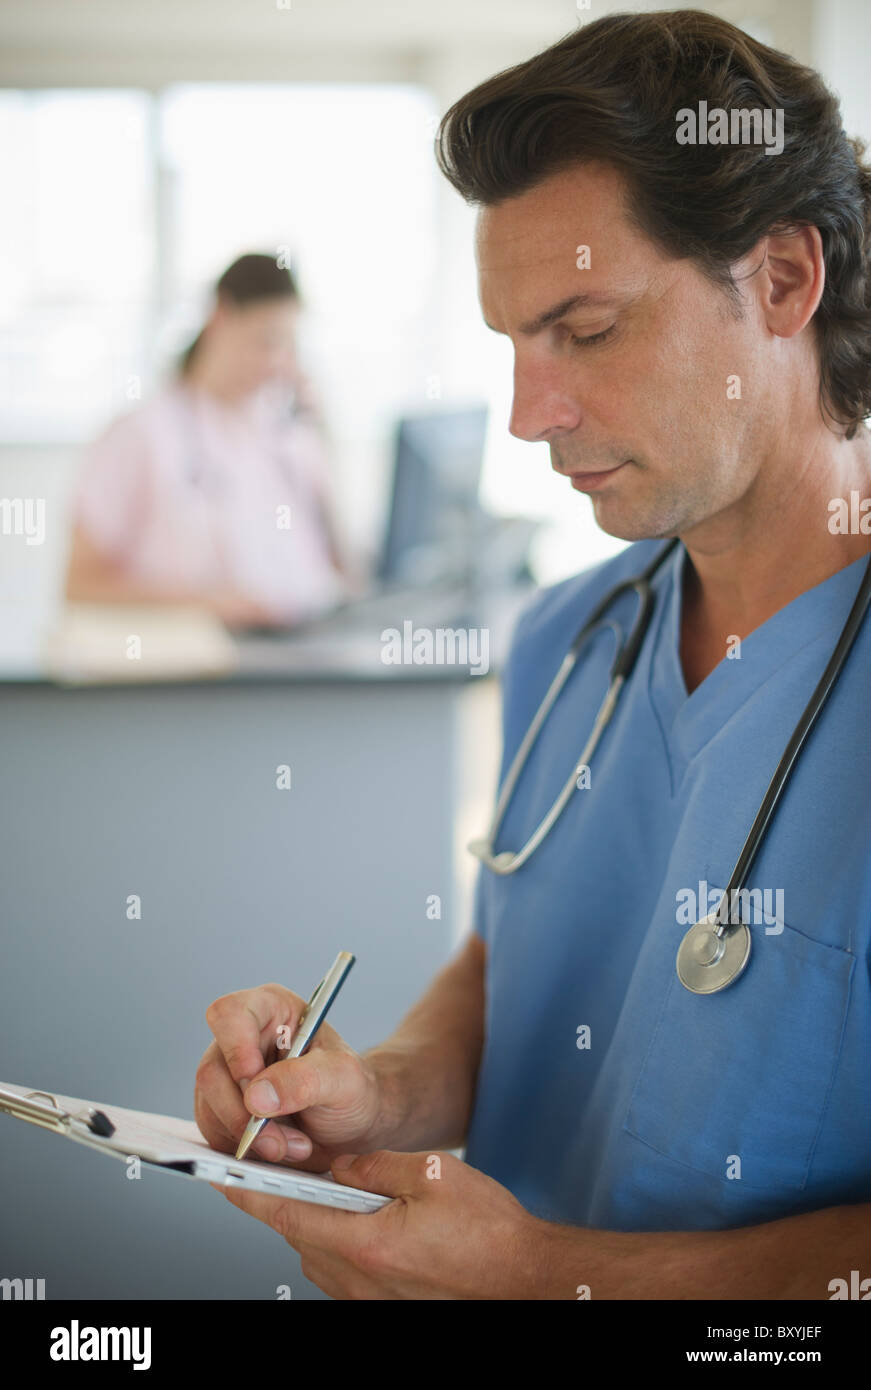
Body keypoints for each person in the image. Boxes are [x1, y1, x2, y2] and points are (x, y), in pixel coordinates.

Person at [193, 12, 871, 1297]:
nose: (527, 415)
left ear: (783, 281)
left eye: (588, 328)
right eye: (512, 342)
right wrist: (372, 1091)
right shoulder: (568, 639)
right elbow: (522, 963)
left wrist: (549, 1278)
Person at [65, 253, 350, 627]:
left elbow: (340, 568)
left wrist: (325, 435)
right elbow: (79, 587)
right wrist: (210, 604)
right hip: (206, 665)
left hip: (306, 644)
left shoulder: (287, 431)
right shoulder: (142, 431)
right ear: (220, 316)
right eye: (267, 341)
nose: (277, 362)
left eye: (288, 346)